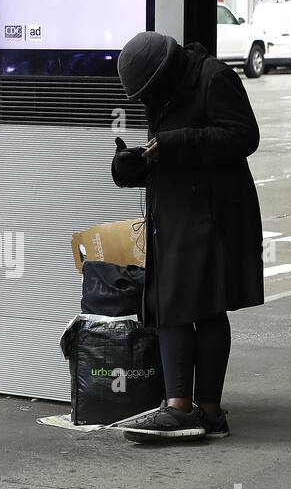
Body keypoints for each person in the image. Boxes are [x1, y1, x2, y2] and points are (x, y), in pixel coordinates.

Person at [112, 32, 264, 442]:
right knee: (174, 301)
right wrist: (132, 167)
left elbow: (244, 136)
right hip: (179, 210)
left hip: (214, 214)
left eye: (147, 91)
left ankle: (191, 409)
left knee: (197, 306)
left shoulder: (213, 78)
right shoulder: (167, 89)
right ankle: (194, 409)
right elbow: (167, 153)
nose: (145, 100)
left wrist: (173, 144)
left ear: (164, 74)